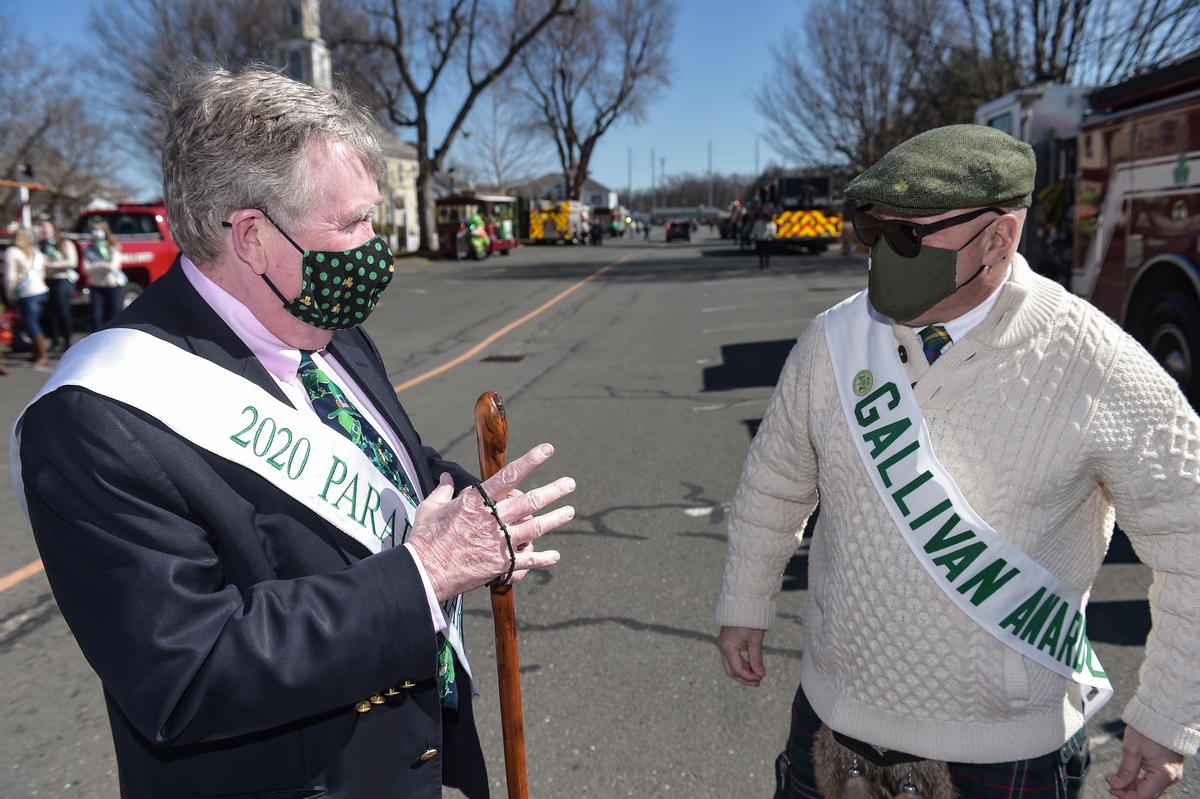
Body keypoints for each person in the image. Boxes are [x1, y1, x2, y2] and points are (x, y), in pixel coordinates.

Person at [12, 67, 575, 799]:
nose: (375, 246)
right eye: (351, 225)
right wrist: (426, 575)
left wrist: (480, 514)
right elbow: (189, 671)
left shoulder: (325, 324)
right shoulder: (95, 418)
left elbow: (392, 468)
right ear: (252, 237)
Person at [715, 125, 1200, 799]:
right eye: (874, 228)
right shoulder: (834, 341)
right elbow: (774, 481)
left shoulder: (1097, 365)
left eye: (909, 236)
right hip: (832, 724)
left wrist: (1170, 711)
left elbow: (1193, 539)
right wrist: (745, 597)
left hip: (1002, 756)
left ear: (999, 238)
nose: (885, 251)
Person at [5, 227, 50, 366]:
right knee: (34, 322)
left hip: (27, 293)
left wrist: (9, 293)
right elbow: (43, 270)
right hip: (41, 290)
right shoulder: (34, 250)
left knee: (31, 324)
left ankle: (43, 354)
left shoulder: (11, 252)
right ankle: (36, 352)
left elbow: (10, 276)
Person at [37, 218, 80, 351]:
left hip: (61, 279)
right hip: (47, 280)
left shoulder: (64, 243)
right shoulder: (41, 244)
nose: (43, 229)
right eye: (41, 227)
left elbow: (72, 262)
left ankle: (67, 341)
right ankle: (55, 340)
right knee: (50, 312)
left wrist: (53, 265)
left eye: (46, 227)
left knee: (63, 310)